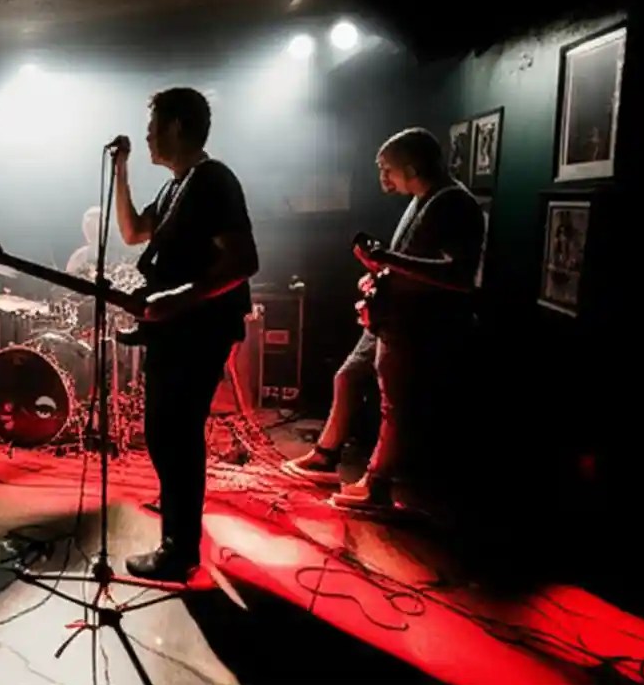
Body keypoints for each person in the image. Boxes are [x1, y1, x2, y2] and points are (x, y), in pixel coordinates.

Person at [282, 128, 485, 510]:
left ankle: (378, 485)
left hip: (418, 326)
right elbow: (414, 264)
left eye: (387, 169)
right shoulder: (422, 198)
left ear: (411, 166)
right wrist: (379, 276)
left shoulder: (455, 204)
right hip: (391, 319)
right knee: (346, 376)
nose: (382, 179)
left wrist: (388, 261)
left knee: (397, 407)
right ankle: (326, 456)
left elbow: (459, 276)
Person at [112, 87, 259, 581]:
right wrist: (121, 171)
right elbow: (132, 232)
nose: (148, 136)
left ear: (176, 126)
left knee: (174, 432)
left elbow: (243, 261)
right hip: (176, 330)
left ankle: (180, 549)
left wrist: (177, 300)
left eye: (153, 127)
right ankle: (179, 526)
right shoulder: (177, 186)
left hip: (199, 329)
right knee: (164, 431)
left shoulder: (213, 181)